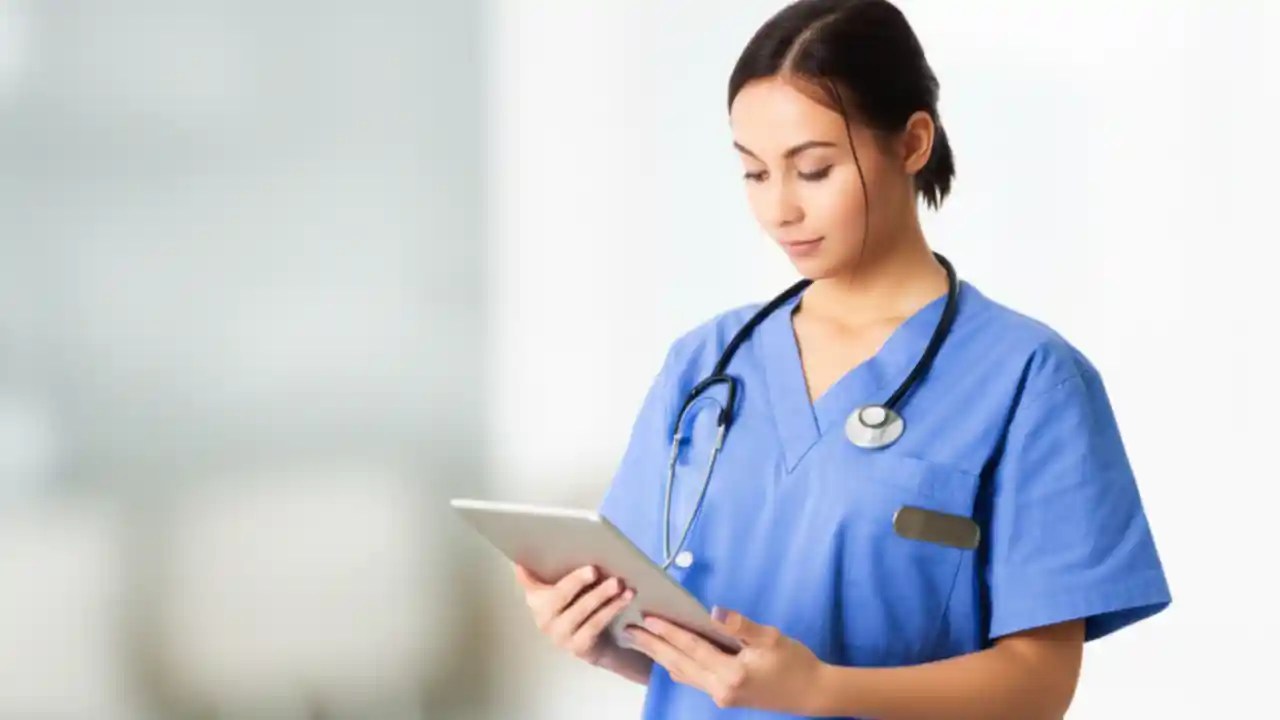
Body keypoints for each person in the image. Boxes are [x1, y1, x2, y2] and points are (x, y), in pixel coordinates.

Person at [514, 0, 1171, 717]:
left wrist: (822, 688)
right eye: (755, 174)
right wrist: (602, 639)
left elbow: (1039, 688)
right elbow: (705, 659)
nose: (779, 210)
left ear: (913, 141)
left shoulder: (1029, 379)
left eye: (814, 170)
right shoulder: (705, 364)